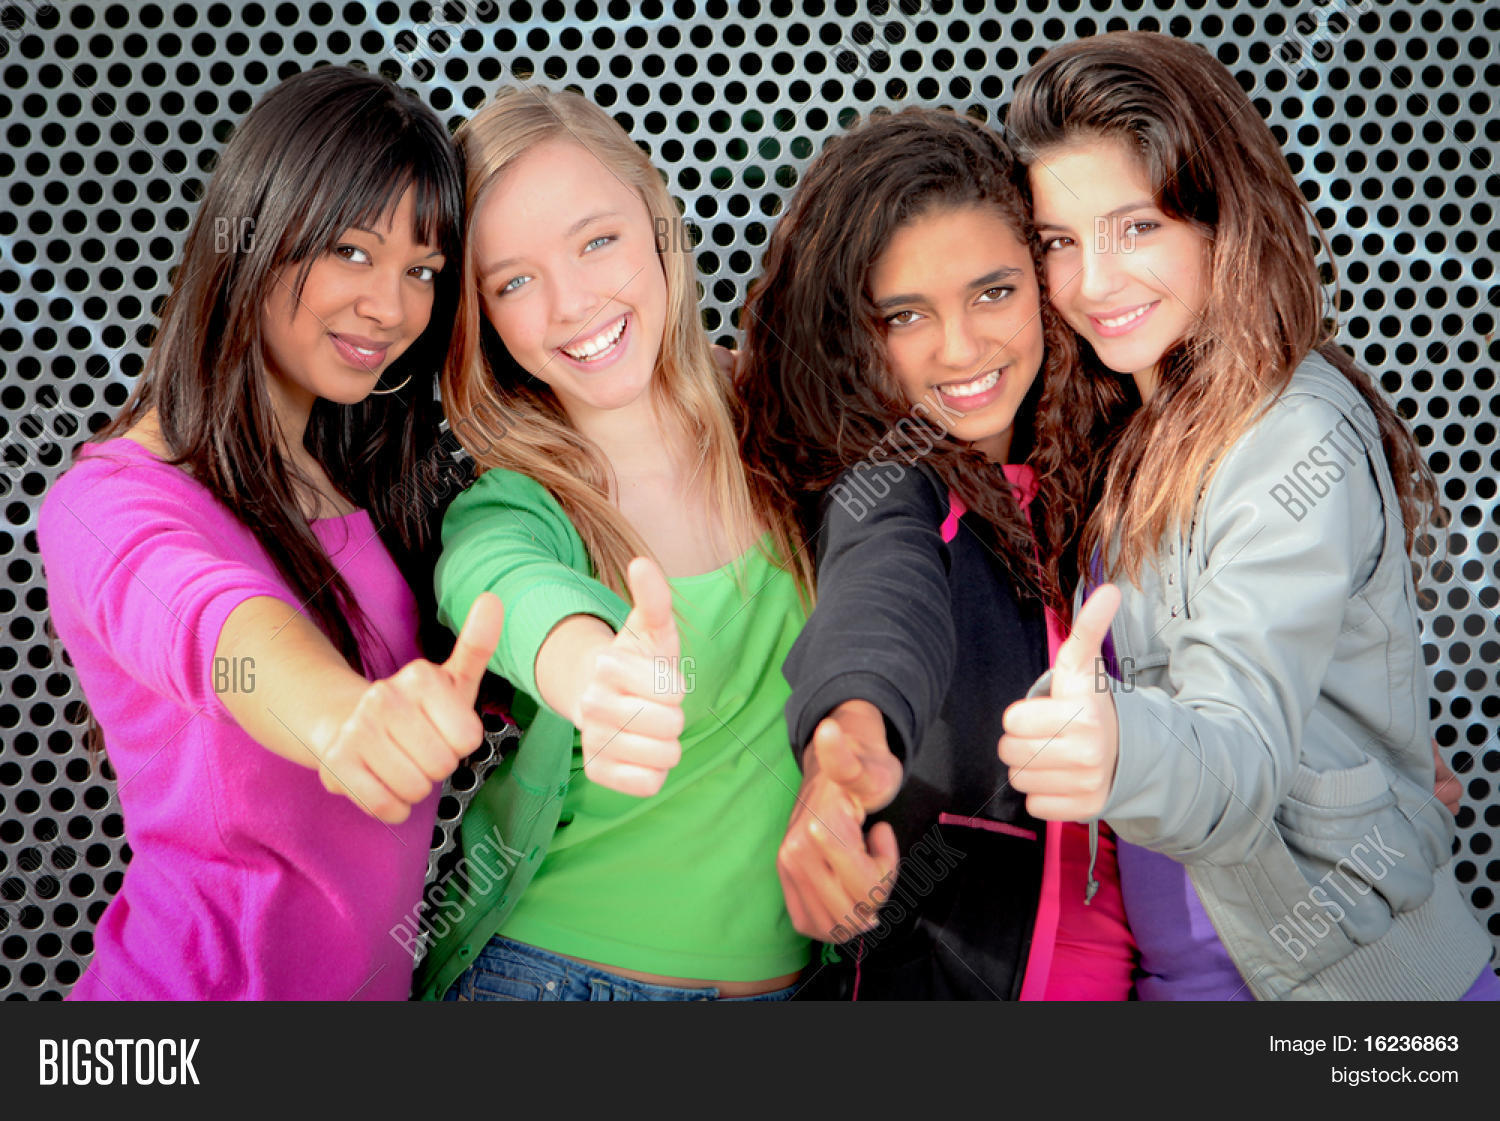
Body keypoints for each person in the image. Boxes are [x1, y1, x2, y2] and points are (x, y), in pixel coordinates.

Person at [1003, 30, 1498, 1000]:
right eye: (1060, 241)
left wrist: (1115, 746)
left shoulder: (1290, 433)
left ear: (1217, 219)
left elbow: (1239, 757)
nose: (1095, 281)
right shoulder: (1126, 423)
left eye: (1136, 226)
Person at [37, 65, 500, 1000]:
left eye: (423, 271)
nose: (392, 307)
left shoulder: (365, 483)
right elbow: (217, 630)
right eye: (352, 251)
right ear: (254, 233)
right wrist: (339, 717)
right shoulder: (110, 501)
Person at [415, 86, 809, 1002]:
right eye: (513, 281)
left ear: (658, 223)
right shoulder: (518, 498)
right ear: (485, 321)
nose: (571, 303)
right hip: (561, 982)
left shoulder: (795, 427)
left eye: (598, 241)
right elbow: (496, 581)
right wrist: (596, 675)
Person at [736, 107, 1136, 999]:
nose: (961, 349)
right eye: (907, 314)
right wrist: (842, 760)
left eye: (994, 292)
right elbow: (879, 610)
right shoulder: (892, 488)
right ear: (854, 332)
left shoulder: (1113, 476)